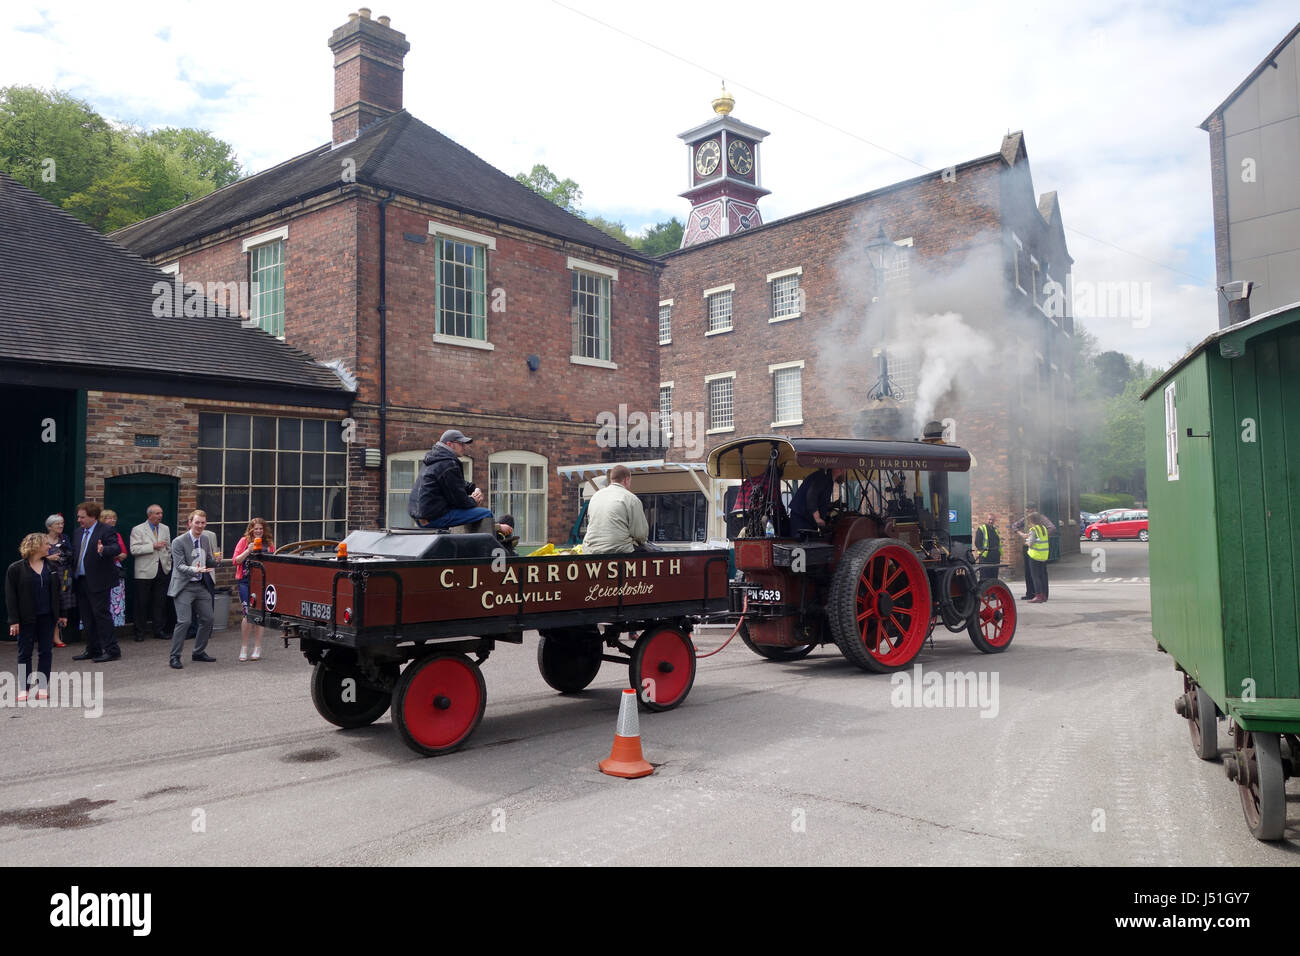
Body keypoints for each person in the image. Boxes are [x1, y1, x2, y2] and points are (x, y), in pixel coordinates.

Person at [6, 533, 65, 701]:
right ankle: (24, 689)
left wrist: (62, 614)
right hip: (26, 618)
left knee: (46, 651)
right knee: (24, 652)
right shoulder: (15, 569)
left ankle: (43, 688)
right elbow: (11, 597)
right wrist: (14, 620)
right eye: (46, 544)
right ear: (36, 546)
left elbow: (57, 592)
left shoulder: (52, 566)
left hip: (47, 616)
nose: (49, 546)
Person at [407, 429, 494, 533]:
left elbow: (455, 483)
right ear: (450, 444)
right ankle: (491, 549)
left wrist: (473, 488)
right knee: (486, 514)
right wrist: (474, 501)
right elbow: (460, 502)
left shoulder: (435, 459)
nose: (465, 447)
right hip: (435, 518)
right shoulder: (448, 464)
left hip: (423, 517)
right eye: (461, 444)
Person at [69, 501, 122, 664]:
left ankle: (112, 650)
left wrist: (103, 550)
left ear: (92, 516)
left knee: (101, 615)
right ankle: (93, 649)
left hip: (99, 581)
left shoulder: (106, 530)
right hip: (81, 580)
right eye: (78, 517)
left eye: (82, 517)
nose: (79, 520)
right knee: (86, 617)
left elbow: (116, 548)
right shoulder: (78, 532)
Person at [167, 509, 220, 669]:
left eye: (203, 523)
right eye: (197, 522)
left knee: (208, 619)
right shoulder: (178, 541)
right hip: (184, 586)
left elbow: (207, 561)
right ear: (190, 523)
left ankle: (198, 652)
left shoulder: (205, 539)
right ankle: (174, 657)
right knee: (184, 621)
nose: (200, 526)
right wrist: (194, 569)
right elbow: (179, 565)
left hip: (200, 585)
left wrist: (215, 561)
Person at [231, 517, 274, 662]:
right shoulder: (244, 541)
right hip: (245, 580)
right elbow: (235, 560)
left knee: (259, 614)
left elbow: (273, 562)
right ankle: (244, 647)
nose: (258, 531)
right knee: (247, 613)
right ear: (251, 530)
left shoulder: (269, 544)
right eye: (256, 529)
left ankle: (257, 647)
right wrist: (247, 551)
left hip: (261, 582)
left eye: (261, 529)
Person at [582, 465, 651, 553]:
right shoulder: (631, 498)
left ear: (611, 479)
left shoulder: (595, 496)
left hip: (590, 550)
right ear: (626, 480)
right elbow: (641, 535)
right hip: (619, 550)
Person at [129, 504, 172, 642]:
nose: (160, 516)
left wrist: (168, 563)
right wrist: (152, 546)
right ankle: (139, 631)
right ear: (149, 515)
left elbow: (169, 548)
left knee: (160, 602)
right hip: (144, 571)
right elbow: (134, 550)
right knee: (142, 602)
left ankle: (158, 630)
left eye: (161, 513)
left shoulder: (165, 528)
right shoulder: (138, 529)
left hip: (162, 568)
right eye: (157, 513)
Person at [1012, 507, 1056, 600]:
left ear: (1035, 510)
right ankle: (1033, 594)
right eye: (1027, 510)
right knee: (1030, 573)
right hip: (1041, 553)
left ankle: (1039, 594)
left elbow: (1052, 528)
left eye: (1030, 510)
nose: (1028, 512)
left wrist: (1034, 538)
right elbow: (1014, 526)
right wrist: (1022, 534)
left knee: (1037, 575)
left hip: (1034, 552)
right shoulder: (1039, 526)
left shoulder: (1037, 524)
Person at [44, 514, 73, 648]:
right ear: (50, 526)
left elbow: (70, 555)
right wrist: (49, 558)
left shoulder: (64, 538)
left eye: (62, 523)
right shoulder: (42, 539)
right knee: (47, 604)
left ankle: (56, 636)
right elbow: (35, 557)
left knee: (60, 606)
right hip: (47, 576)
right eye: (58, 524)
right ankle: (45, 637)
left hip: (63, 575)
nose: (61, 526)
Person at [789, 468, 845, 537]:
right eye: (843, 468)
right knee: (803, 544)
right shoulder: (823, 476)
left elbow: (819, 500)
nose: (844, 472)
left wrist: (832, 505)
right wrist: (817, 518)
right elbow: (812, 495)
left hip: (806, 518)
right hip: (802, 519)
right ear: (839, 469)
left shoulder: (828, 479)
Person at [100, 510, 128, 638]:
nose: (112, 520)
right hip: (104, 570)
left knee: (116, 601)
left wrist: (113, 554)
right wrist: (113, 554)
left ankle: (113, 630)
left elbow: (123, 554)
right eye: (109, 518)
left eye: (114, 518)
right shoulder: (99, 534)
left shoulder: (117, 535)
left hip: (116, 570)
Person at [1022, 511, 1051, 603]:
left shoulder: (1034, 530)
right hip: (1043, 556)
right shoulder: (1043, 529)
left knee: (1035, 577)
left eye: (1029, 521)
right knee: (1041, 576)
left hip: (1034, 555)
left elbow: (1031, 544)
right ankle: (1043, 596)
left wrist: (1026, 541)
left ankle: (1038, 596)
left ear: (1032, 521)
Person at [973, 513, 1002, 582]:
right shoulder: (981, 529)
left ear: (995, 520)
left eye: (992, 520)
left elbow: (997, 542)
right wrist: (983, 551)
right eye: (989, 519)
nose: (991, 521)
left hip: (995, 557)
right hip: (985, 557)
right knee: (985, 577)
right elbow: (977, 542)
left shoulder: (995, 530)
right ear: (986, 519)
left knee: (994, 577)